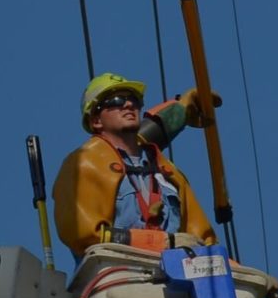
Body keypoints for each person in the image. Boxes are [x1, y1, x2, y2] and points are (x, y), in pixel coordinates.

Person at [51, 72, 216, 259]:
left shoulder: (167, 172)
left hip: (179, 275)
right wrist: (161, 243)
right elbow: (86, 235)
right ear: (96, 121)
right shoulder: (83, 164)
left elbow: (204, 240)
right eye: (115, 100)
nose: (128, 104)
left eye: (134, 100)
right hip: (119, 274)